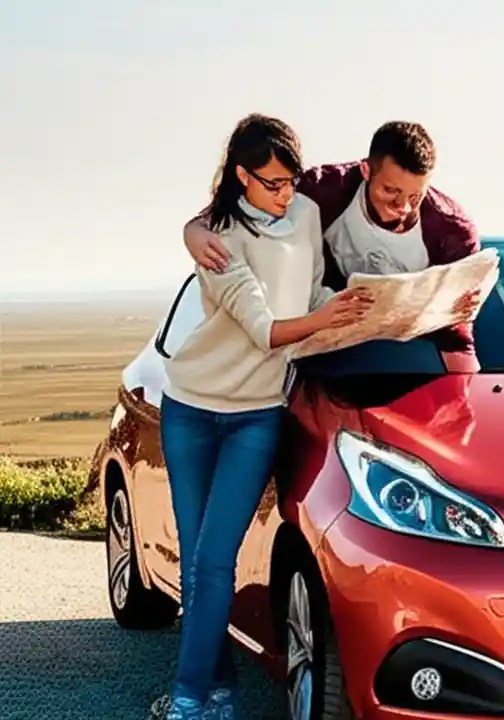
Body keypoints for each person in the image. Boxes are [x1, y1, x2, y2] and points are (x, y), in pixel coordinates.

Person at [154, 114, 373, 720]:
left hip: (255, 416)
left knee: (214, 558)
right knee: (200, 563)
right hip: (192, 410)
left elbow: (305, 301)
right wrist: (323, 320)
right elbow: (266, 330)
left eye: (291, 181)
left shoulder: (303, 215)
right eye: (273, 183)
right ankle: (206, 693)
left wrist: (357, 306)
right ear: (242, 176)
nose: (286, 194)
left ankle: (189, 696)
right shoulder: (218, 237)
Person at [181, 120, 481, 353]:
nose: (401, 207)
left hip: (413, 358)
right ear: (365, 170)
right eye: (390, 191)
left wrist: (459, 311)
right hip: (330, 347)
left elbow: (459, 338)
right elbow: (247, 202)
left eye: (415, 196)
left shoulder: (453, 231)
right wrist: (195, 228)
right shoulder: (324, 190)